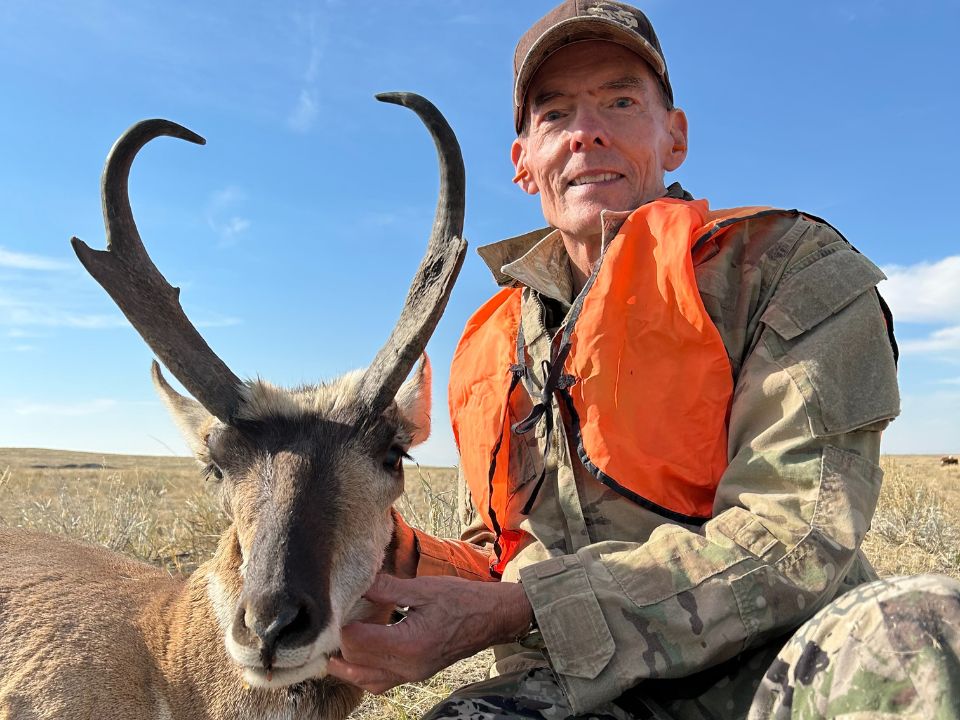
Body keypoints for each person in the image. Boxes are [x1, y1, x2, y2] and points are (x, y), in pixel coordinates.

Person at [328, 2, 960, 717]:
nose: (586, 132)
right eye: (554, 113)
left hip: (782, 679)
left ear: (675, 136)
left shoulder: (784, 272)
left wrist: (516, 613)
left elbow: (796, 537)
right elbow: (500, 554)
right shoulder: (491, 347)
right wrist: (386, 564)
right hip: (576, 693)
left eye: (620, 101)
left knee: (920, 628)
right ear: (523, 164)